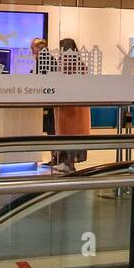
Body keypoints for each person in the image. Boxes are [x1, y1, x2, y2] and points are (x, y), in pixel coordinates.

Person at [50, 38, 91, 172]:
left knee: (67, 135)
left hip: (68, 108)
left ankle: (68, 164)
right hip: (80, 108)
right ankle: (69, 163)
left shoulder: (65, 64)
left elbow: (62, 84)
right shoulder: (81, 64)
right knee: (75, 137)